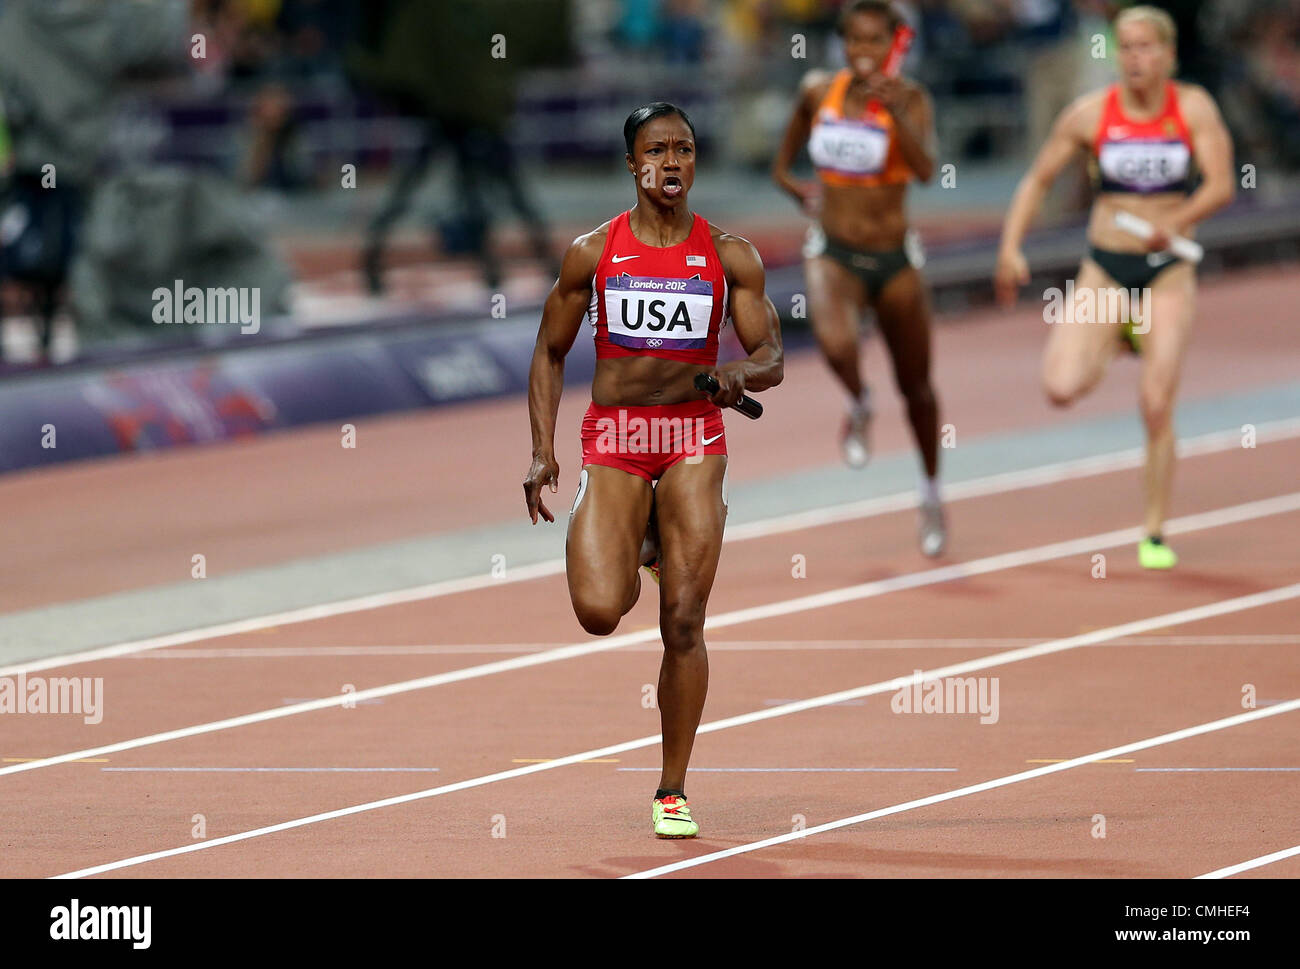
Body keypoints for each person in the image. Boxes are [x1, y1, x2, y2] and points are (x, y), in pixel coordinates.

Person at [524, 102, 783, 838]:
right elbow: (548, 351)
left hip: (692, 435)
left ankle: (671, 787)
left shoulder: (731, 255)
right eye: (657, 150)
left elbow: (773, 357)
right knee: (601, 610)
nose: (672, 162)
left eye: (686, 150)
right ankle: (640, 537)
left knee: (684, 622)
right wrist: (544, 449)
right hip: (615, 435)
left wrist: (742, 373)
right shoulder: (592, 251)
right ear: (631, 163)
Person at [996, 5, 1234, 569]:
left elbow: (1222, 185)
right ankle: (1124, 334)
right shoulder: (1090, 114)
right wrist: (1010, 246)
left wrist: (1176, 222)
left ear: (1170, 55)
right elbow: (1039, 178)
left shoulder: (1192, 108)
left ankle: (1153, 531)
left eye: (1147, 47)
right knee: (1060, 386)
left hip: (1166, 273)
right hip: (1108, 267)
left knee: (1155, 403)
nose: (1135, 58)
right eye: (1125, 47)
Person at [771, 0, 946, 557]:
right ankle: (860, 401)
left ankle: (931, 491)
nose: (865, 54)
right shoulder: (818, 91)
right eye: (855, 42)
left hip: (894, 256)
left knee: (917, 388)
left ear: (895, 44)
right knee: (836, 344)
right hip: (834, 251)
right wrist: (795, 187)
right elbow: (782, 165)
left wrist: (893, 114)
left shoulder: (912, 98)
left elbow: (925, 171)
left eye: (876, 43)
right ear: (843, 45)